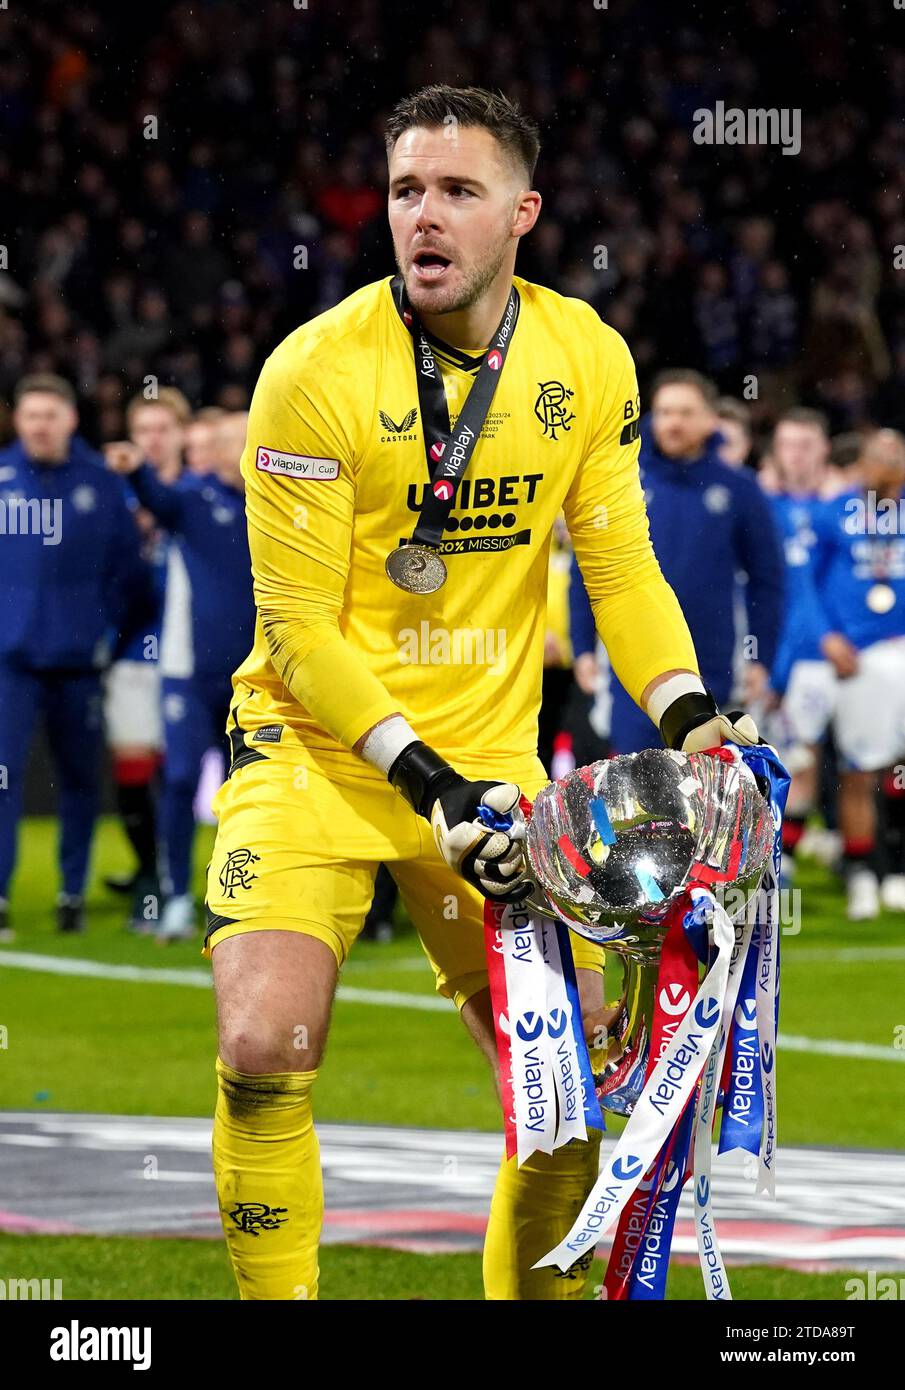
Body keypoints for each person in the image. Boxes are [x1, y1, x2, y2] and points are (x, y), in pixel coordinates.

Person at [200, 84, 758, 1302]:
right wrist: (426, 779)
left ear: (522, 212)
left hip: (493, 778)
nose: (424, 216)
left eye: (457, 190)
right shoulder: (311, 372)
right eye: (405, 190)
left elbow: (620, 572)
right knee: (260, 1046)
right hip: (314, 752)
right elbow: (295, 632)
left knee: (557, 1095)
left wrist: (693, 720)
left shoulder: (585, 356)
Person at [0, 374, 146, 936]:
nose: (40, 425)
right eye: (31, 415)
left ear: (70, 420)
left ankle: (71, 896)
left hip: (81, 664)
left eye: (50, 415)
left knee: (81, 783)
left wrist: (104, 632)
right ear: (18, 421)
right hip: (10, 664)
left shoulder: (101, 484)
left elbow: (130, 576)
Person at [571, 370, 783, 754]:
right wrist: (582, 647)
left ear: (709, 420)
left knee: (706, 788)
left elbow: (766, 580)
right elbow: (585, 567)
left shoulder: (739, 488)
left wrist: (760, 657)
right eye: (665, 411)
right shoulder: (623, 480)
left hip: (714, 663)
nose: (673, 422)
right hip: (632, 666)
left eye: (686, 412)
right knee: (635, 784)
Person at [105, 411, 255, 940]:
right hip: (188, 671)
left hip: (257, 678)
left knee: (255, 793)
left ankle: (245, 899)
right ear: (214, 452)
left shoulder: (276, 506)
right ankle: (173, 898)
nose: (248, 447)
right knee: (180, 779)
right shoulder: (193, 498)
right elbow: (156, 498)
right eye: (236, 440)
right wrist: (134, 470)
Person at [804, 429, 905, 919]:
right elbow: (804, 584)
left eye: (894, 455)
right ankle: (862, 871)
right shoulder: (834, 512)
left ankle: (897, 870)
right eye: (876, 455)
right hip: (858, 656)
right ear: (860, 461)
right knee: (859, 769)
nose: (884, 464)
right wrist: (826, 637)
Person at [103, 389, 190, 930]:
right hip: (134, 648)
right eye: (143, 430)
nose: (153, 440)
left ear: (181, 433)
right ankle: (149, 872)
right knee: (134, 767)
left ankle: (183, 878)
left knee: (183, 773)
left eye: (162, 428)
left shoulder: (195, 491)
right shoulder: (118, 498)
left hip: (194, 651)